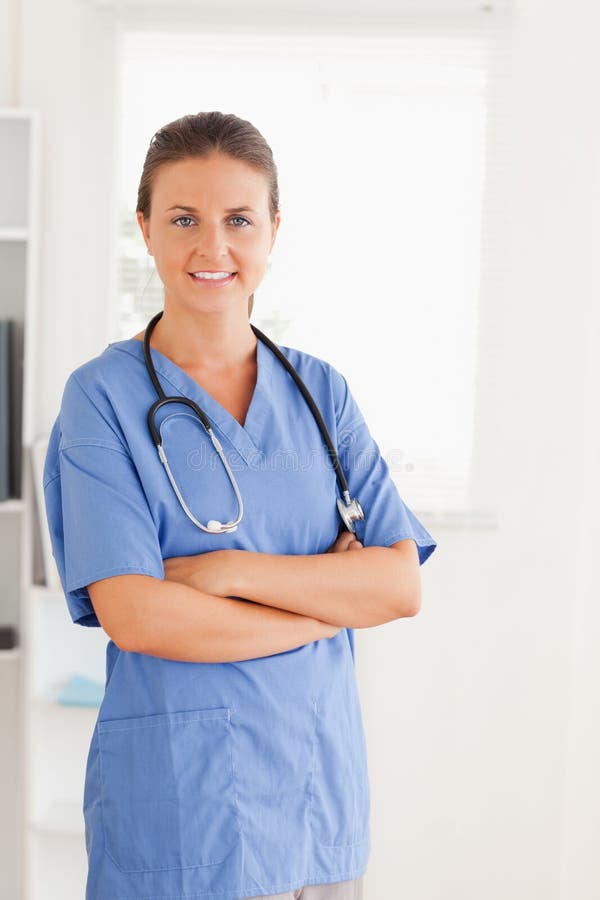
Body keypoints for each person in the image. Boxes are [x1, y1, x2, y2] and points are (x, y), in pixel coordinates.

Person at [42, 111, 437, 900]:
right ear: (146, 229)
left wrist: (226, 570)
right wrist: (327, 608)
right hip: (182, 812)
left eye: (239, 220)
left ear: (273, 231)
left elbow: (398, 586)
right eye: (184, 218)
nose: (212, 248)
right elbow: (139, 616)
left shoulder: (320, 392)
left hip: (318, 800)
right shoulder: (102, 401)